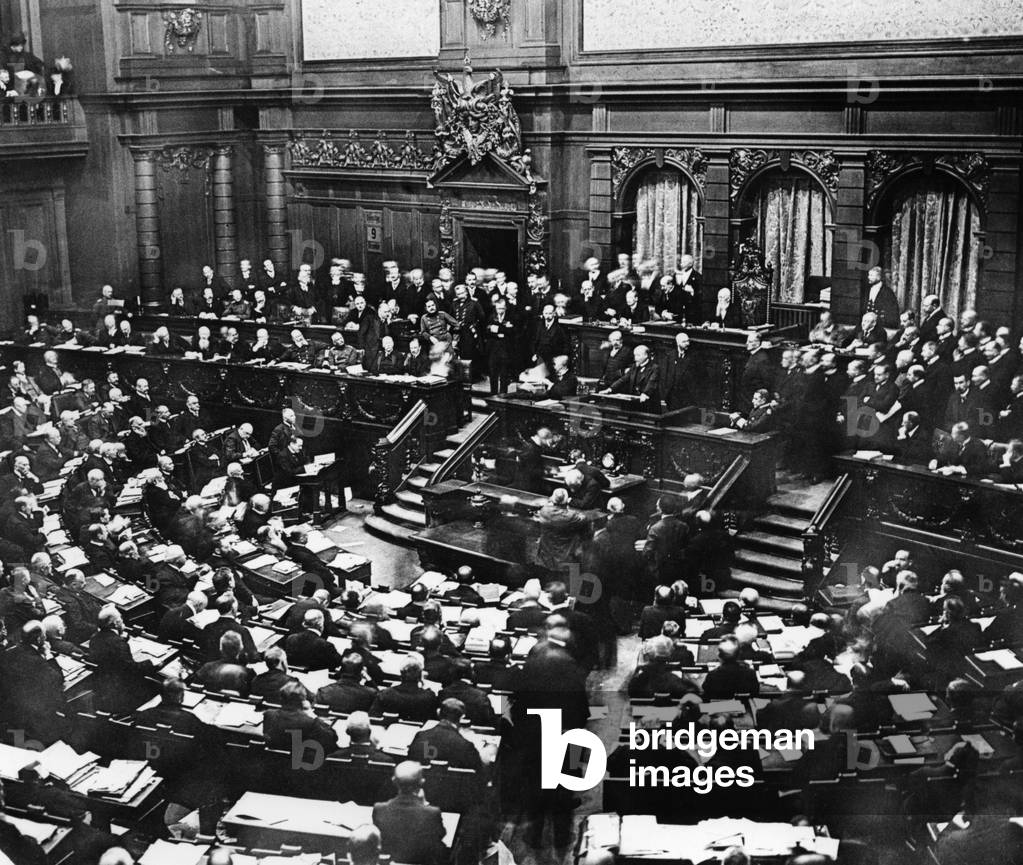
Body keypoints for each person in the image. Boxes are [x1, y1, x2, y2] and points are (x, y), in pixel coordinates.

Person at [372, 762, 447, 865]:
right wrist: (425, 804)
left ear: (394, 781)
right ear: (421, 782)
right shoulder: (432, 813)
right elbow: (441, 834)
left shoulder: (379, 809)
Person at [89, 605, 158, 713]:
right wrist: (151, 662)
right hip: (123, 688)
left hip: (104, 685)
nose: (122, 621)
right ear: (116, 623)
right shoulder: (118, 643)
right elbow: (132, 669)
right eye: (120, 619)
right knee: (157, 686)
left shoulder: (94, 638)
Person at [408, 697, 484, 771]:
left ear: (438, 713)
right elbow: (478, 773)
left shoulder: (420, 736)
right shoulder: (466, 746)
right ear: (462, 718)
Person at [262, 681, 339, 752]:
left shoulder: (269, 715)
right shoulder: (309, 722)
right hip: (300, 762)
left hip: (275, 760)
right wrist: (313, 716)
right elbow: (332, 738)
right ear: (303, 701)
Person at [370, 655, 438, 722]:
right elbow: (433, 720)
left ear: (401, 674)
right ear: (420, 675)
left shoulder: (385, 694)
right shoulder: (429, 696)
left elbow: (373, 717)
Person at [603, 344, 661, 412]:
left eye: (638, 355)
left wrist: (645, 394)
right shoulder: (634, 366)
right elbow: (623, 379)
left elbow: (652, 382)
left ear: (646, 355)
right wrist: (610, 389)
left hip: (648, 405)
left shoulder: (655, 368)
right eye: (635, 355)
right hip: (635, 403)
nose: (635, 358)